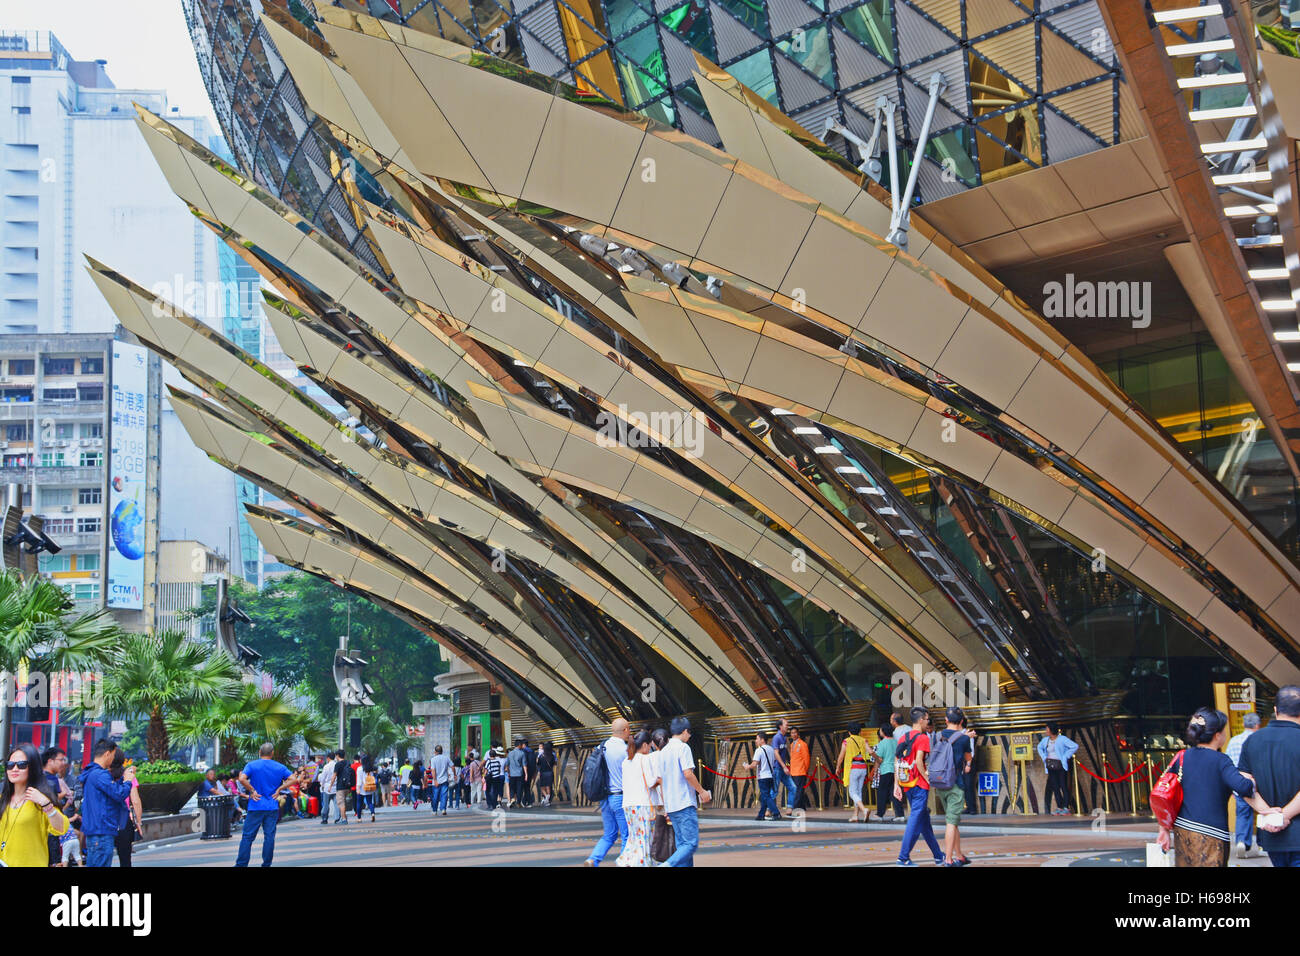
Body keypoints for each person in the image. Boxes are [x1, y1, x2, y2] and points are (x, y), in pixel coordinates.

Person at [1156, 708, 1278, 867]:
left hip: (1183, 830)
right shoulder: (1221, 761)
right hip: (1211, 834)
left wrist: (1163, 829)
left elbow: (1164, 795)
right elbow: (1243, 787)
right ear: (1217, 736)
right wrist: (1251, 779)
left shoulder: (1181, 757)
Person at [1238, 685, 1300, 867]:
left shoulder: (1252, 740)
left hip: (1271, 837)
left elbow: (1242, 782)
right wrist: (1284, 816)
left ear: (1275, 710)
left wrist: (1268, 812)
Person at [0, 742, 70, 867]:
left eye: (21, 765)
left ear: (32, 768)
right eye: (10, 765)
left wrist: (46, 805)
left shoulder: (41, 800)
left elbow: (61, 828)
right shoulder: (2, 799)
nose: (14, 769)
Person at [894, 707, 944, 866]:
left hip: (907, 784)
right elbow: (920, 760)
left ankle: (938, 855)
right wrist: (929, 780)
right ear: (921, 719)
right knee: (915, 821)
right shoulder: (922, 738)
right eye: (927, 719)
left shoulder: (903, 738)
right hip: (920, 785)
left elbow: (897, 762)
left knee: (924, 823)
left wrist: (896, 785)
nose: (928, 722)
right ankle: (903, 857)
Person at [658, 717, 711, 867]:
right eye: (689, 733)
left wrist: (664, 805)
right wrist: (702, 791)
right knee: (691, 844)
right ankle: (667, 865)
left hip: (672, 805)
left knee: (682, 846)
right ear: (685, 731)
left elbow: (661, 781)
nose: (690, 736)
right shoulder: (683, 748)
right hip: (684, 803)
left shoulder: (664, 751)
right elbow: (688, 773)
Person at [78, 739, 135, 867]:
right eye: (114, 755)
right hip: (102, 831)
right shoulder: (100, 775)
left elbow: (110, 794)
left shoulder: (90, 773)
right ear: (107, 754)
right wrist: (128, 781)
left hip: (96, 831)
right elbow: (119, 794)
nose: (113, 759)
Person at [236, 742, 293, 867]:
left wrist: (252, 790)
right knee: (269, 837)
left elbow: (241, 779)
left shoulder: (252, 765)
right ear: (272, 753)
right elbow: (294, 779)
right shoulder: (279, 767)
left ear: (259, 752)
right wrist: (279, 789)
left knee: (247, 837)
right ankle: (266, 864)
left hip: (255, 805)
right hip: (272, 806)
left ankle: (241, 864)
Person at [584, 717, 631, 866]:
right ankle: (623, 863)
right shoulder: (625, 750)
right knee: (626, 836)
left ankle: (593, 859)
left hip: (604, 798)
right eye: (629, 729)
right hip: (620, 797)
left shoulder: (602, 746)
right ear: (624, 730)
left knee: (609, 835)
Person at [933, 707, 973, 867]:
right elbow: (968, 758)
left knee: (952, 820)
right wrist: (968, 763)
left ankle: (959, 855)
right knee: (951, 821)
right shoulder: (963, 739)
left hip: (940, 782)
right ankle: (949, 859)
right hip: (955, 783)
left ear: (946, 720)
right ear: (962, 721)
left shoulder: (937, 736)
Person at [617, 729, 659, 867]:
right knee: (645, 839)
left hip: (628, 804)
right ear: (646, 745)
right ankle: (642, 864)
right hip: (644, 804)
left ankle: (626, 861)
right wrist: (660, 780)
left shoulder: (626, 761)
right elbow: (650, 782)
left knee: (634, 838)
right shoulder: (645, 759)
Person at [1225, 712, 1261, 857]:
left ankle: (1241, 841)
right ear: (1257, 725)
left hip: (1238, 783)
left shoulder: (1233, 740)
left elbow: (1228, 764)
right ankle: (1262, 843)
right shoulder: (1258, 740)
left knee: (1242, 813)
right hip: (1257, 783)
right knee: (1262, 811)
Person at [110, 750, 144, 868]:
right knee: (125, 860)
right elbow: (135, 801)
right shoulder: (128, 776)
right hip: (124, 821)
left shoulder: (103, 776)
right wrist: (138, 822)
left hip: (107, 820)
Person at [1037, 723, 1078, 815]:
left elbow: (1074, 746)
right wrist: (1044, 757)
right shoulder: (1045, 740)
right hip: (1051, 765)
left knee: (1063, 785)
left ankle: (1066, 807)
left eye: (1047, 729)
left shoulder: (1062, 739)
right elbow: (1039, 747)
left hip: (1060, 765)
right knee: (1055, 786)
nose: (1046, 731)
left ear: (1051, 730)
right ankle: (1059, 807)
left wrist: (1065, 756)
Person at [42, 746, 73, 866]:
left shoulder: (52, 778)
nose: (63, 763)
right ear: (50, 761)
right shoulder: (46, 780)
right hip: (49, 831)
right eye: (61, 760)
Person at [834, 722, 872, 823]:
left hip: (853, 768)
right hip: (863, 768)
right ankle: (855, 815)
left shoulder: (846, 741)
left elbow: (841, 756)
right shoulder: (863, 740)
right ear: (859, 731)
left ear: (849, 731)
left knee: (852, 792)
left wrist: (838, 767)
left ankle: (864, 809)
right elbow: (870, 751)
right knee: (858, 792)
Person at [746, 731, 782, 821]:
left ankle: (776, 813)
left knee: (766, 796)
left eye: (757, 738)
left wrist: (748, 766)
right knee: (764, 796)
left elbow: (755, 764)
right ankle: (761, 815)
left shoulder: (759, 750)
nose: (756, 741)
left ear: (762, 740)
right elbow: (773, 761)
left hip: (763, 777)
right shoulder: (771, 749)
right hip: (770, 776)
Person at [874, 723, 904, 820]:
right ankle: (900, 814)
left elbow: (879, 759)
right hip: (896, 771)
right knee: (895, 792)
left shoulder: (882, 743)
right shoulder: (896, 742)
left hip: (885, 770)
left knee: (882, 793)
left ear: (883, 732)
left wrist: (875, 771)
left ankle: (880, 814)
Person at [770, 718, 794, 814]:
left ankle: (789, 809)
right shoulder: (777, 737)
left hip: (782, 768)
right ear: (780, 726)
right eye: (786, 724)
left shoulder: (784, 738)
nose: (787, 726)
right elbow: (776, 753)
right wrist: (784, 767)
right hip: (777, 768)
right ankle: (768, 809)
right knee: (774, 791)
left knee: (793, 787)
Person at [787, 725, 810, 812]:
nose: (793, 734)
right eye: (792, 733)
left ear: (798, 734)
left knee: (798, 791)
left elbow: (806, 758)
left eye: (795, 732)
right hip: (793, 771)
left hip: (800, 771)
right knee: (798, 790)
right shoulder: (792, 744)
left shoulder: (803, 744)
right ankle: (802, 807)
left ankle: (796, 808)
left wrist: (805, 770)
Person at [430, 745, 454, 815]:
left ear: (435, 752)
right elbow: (452, 766)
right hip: (444, 780)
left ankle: (435, 811)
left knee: (435, 796)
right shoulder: (446, 758)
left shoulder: (433, 759)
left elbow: (433, 770)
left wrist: (435, 780)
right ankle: (443, 809)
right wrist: (454, 774)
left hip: (436, 781)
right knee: (444, 795)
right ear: (442, 751)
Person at [506, 738, 528, 809]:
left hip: (512, 774)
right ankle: (518, 802)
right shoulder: (522, 753)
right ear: (519, 745)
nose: (522, 746)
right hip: (519, 774)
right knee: (519, 788)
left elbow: (507, 765)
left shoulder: (510, 753)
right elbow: (524, 765)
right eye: (521, 745)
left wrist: (509, 773)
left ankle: (512, 798)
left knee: (512, 787)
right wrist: (526, 774)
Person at [334, 749, 354, 822]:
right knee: (343, 802)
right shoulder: (348, 762)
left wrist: (330, 785)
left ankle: (344, 819)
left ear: (337, 755)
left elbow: (334, 775)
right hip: (348, 786)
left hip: (340, 786)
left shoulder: (338, 764)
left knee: (341, 803)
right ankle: (344, 817)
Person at [318, 752, 338, 824]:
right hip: (336, 787)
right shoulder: (337, 765)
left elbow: (323, 777)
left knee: (326, 804)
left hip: (327, 787)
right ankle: (337, 818)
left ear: (328, 758)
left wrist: (322, 785)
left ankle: (324, 818)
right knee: (336, 804)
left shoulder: (326, 766)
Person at [357, 753, 377, 821]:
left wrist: (358, 788)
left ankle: (359, 818)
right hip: (369, 787)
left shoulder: (360, 769)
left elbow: (359, 780)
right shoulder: (370, 768)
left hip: (362, 787)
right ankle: (372, 813)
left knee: (359, 803)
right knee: (369, 802)